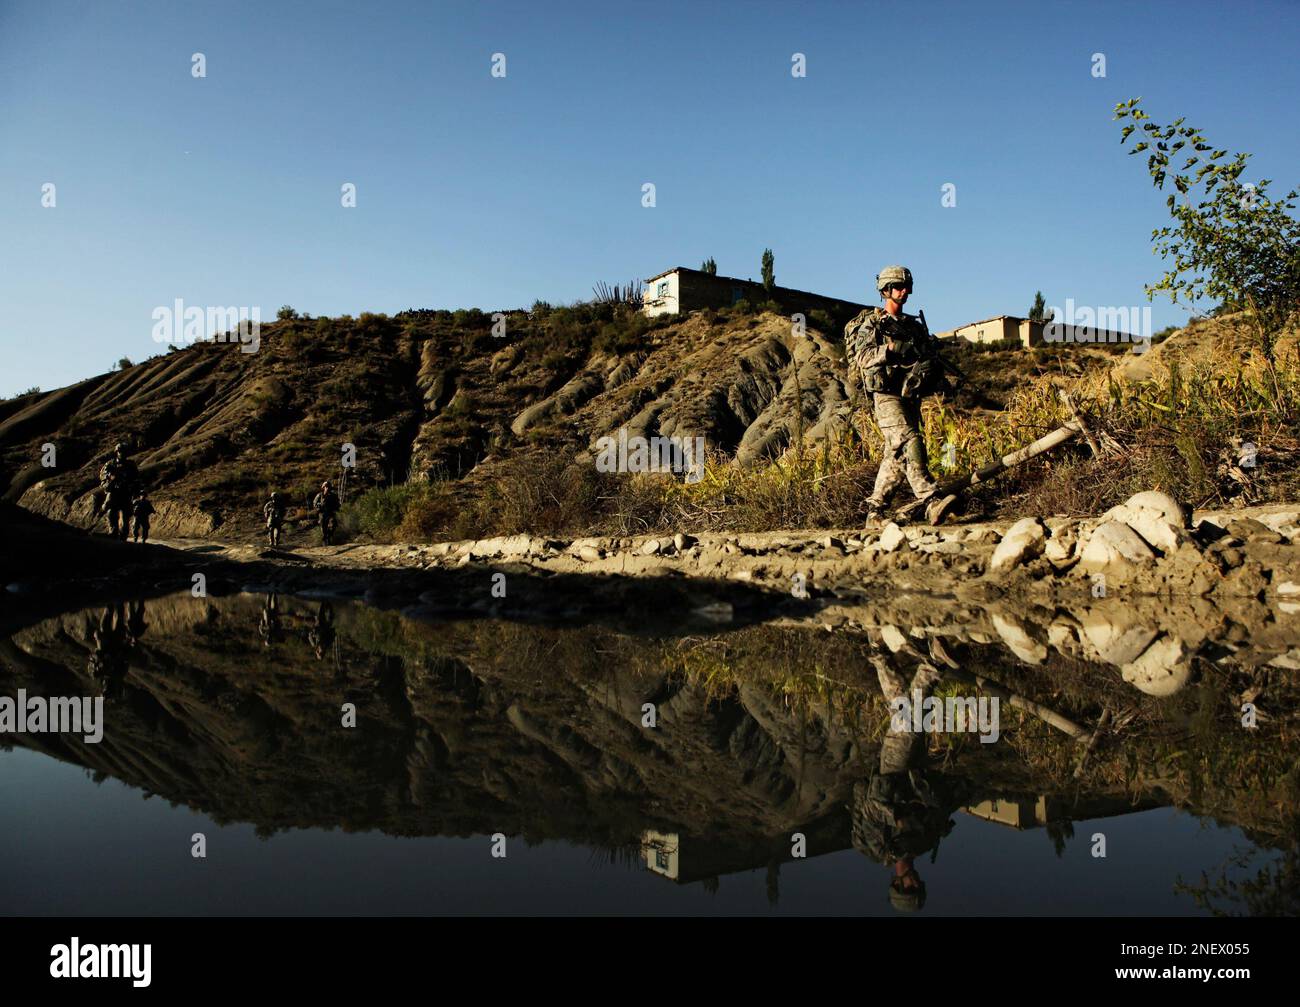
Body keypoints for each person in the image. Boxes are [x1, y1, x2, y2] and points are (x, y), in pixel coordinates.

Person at [844, 266, 958, 526]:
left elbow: (926, 359)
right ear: (885, 290)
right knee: (909, 441)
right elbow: (863, 356)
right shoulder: (873, 323)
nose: (904, 291)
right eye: (898, 286)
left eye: (907, 286)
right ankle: (930, 500)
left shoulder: (913, 327)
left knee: (895, 456)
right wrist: (892, 349)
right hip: (885, 394)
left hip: (909, 394)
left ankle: (874, 512)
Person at [97, 442, 139, 540]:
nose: (122, 453)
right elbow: (102, 475)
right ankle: (113, 532)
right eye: (120, 451)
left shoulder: (131, 465)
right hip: (114, 492)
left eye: (124, 451)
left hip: (126, 493)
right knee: (110, 511)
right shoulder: (110, 464)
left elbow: (136, 477)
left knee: (125, 516)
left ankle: (123, 536)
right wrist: (109, 477)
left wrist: (133, 487)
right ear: (116, 452)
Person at [312, 480, 340, 545]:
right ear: (323, 487)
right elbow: (314, 503)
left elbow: (337, 504)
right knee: (324, 529)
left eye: (328, 487)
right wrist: (320, 505)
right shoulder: (320, 495)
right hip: (322, 514)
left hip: (330, 513)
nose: (327, 488)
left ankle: (329, 537)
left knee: (333, 524)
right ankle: (325, 541)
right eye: (326, 487)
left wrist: (336, 507)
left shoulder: (333, 496)